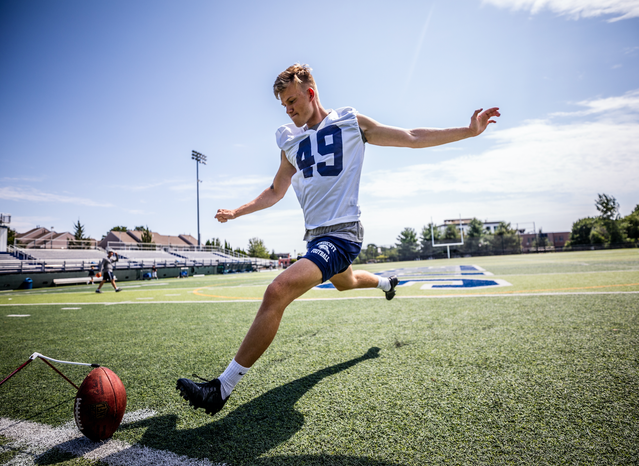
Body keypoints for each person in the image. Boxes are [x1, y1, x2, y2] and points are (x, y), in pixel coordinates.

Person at [176, 64, 500, 415]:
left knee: (277, 290)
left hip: (344, 233)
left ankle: (221, 388)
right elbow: (274, 190)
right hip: (317, 239)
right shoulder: (289, 138)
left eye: (292, 101)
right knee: (345, 283)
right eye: (283, 105)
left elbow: (410, 136)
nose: (288, 109)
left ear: (310, 93)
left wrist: (468, 131)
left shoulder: (349, 122)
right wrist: (236, 213)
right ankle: (385, 282)